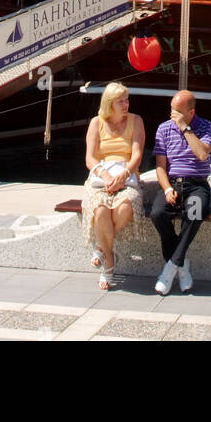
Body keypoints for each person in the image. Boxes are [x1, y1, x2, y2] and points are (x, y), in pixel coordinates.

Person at [83, 83, 145, 289]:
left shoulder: (136, 121)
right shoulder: (95, 123)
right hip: (101, 176)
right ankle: (109, 262)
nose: (126, 104)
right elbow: (90, 159)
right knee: (100, 210)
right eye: (121, 101)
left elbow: (137, 155)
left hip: (127, 176)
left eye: (127, 100)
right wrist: (106, 175)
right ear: (110, 103)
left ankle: (101, 246)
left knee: (126, 206)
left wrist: (124, 174)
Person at [151, 90, 211, 295]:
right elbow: (160, 166)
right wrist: (167, 188)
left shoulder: (204, 126)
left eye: (177, 111)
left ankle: (170, 268)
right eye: (171, 110)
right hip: (173, 185)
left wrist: (185, 128)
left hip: (196, 185)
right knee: (158, 213)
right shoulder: (163, 129)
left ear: (190, 112)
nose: (172, 115)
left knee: (194, 213)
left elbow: (202, 154)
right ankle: (182, 265)